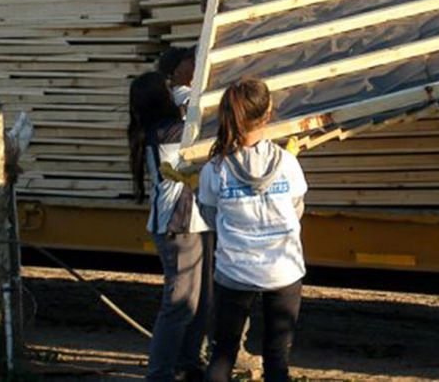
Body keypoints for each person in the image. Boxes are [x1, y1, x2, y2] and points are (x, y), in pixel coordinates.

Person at [198, 77, 307, 382]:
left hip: (235, 270)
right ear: (268, 114)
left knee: (222, 354)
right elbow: (297, 209)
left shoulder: (215, 168)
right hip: (283, 269)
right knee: (277, 357)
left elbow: (209, 216)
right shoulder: (288, 163)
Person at [128, 72, 213, 381]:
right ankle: (160, 373)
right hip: (178, 224)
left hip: (194, 221)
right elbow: (204, 130)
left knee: (201, 301)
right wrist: (194, 97)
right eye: (168, 89)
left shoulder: (163, 128)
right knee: (180, 304)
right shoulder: (168, 132)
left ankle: (188, 365)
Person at [158, 46, 197, 111]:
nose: (196, 65)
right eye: (192, 63)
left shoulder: (180, 95)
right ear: (177, 72)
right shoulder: (186, 96)